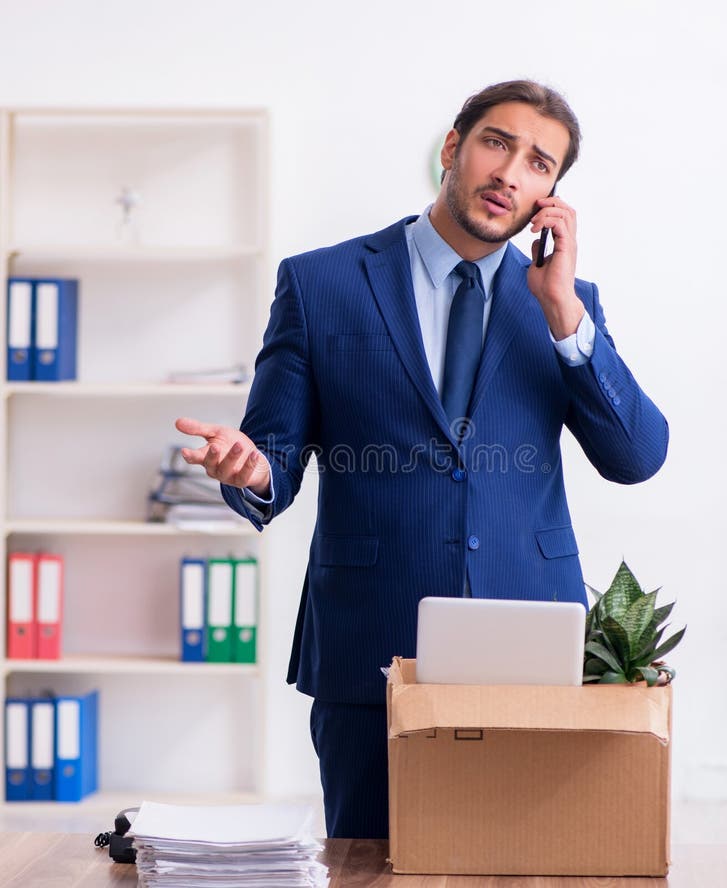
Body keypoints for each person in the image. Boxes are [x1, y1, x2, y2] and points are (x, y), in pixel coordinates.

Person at [176, 79, 668, 840]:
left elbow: (637, 456)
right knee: (369, 863)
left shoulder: (566, 304)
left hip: (529, 639)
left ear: (550, 197)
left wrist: (565, 316)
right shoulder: (322, 283)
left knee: (524, 862)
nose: (511, 172)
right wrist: (253, 471)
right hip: (370, 639)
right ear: (454, 148)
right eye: (497, 143)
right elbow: (272, 449)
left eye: (540, 163)